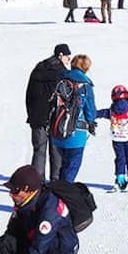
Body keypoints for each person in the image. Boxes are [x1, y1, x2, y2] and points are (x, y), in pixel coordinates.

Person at [0, 164, 78, 254]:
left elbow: (37, 250)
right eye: (11, 190)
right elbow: (11, 234)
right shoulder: (23, 202)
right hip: (34, 240)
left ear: (28, 190)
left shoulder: (49, 212)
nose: (11, 194)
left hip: (58, 252)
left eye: (15, 191)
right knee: (11, 240)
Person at [25, 43, 72, 180]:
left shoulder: (38, 68)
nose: (69, 61)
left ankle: (37, 183)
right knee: (56, 151)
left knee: (39, 151)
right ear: (61, 55)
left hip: (36, 118)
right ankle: (55, 182)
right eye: (68, 58)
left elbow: (29, 94)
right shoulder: (61, 73)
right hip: (54, 118)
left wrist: (31, 113)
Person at [51, 54, 97, 182]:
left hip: (57, 131)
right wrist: (91, 122)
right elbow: (90, 110)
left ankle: (56, 193)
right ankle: (62, 197)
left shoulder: (61, 80)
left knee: (60, 168)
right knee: (71, 169)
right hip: (76, 134)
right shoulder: (85, 86)